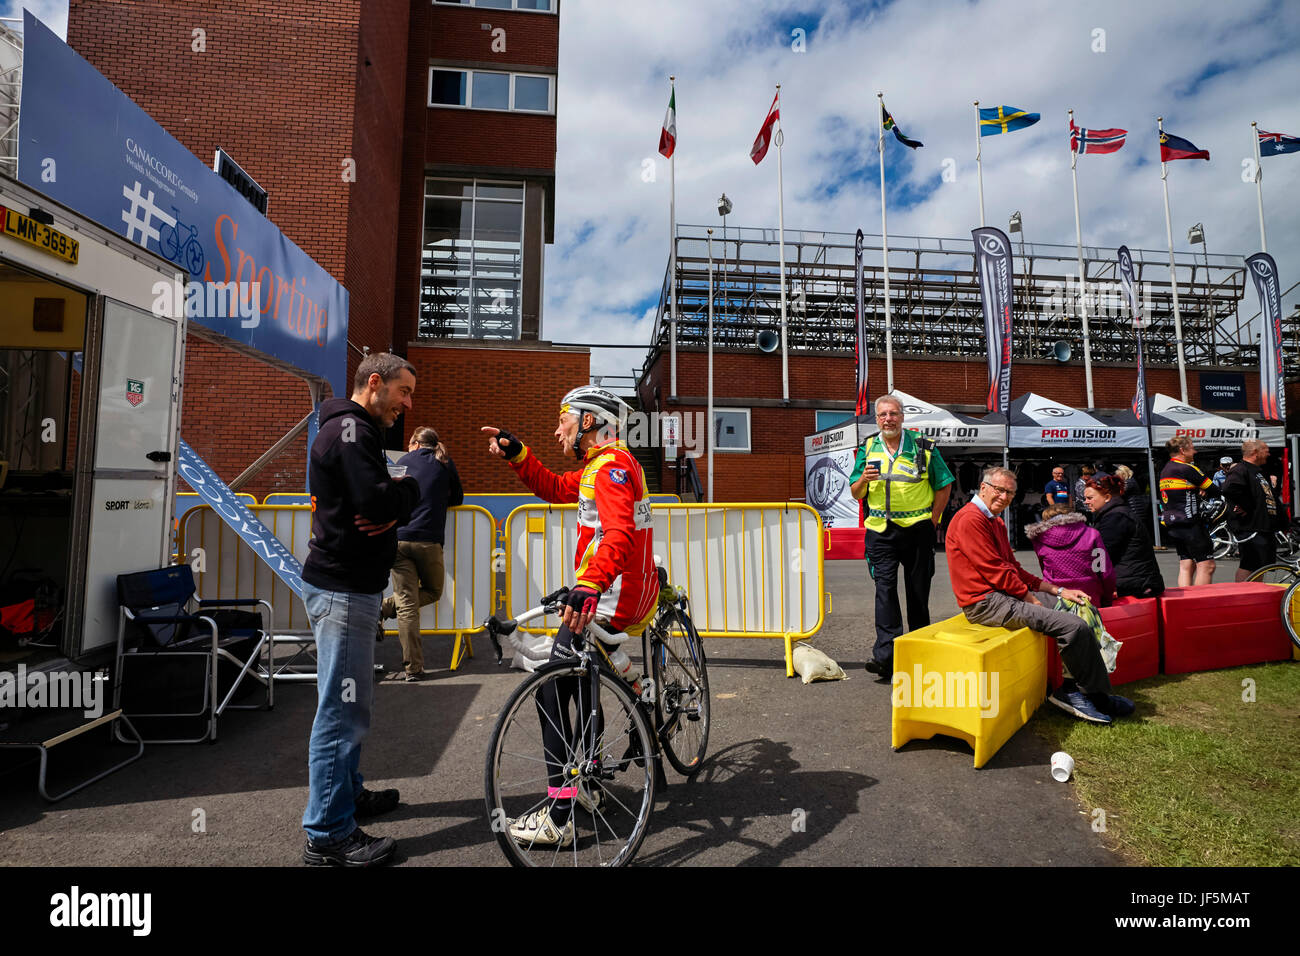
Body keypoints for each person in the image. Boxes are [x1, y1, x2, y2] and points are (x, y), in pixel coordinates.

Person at [482, 385, 658, 848]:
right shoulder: (602, 465)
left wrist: (588, 584)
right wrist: (519, 455)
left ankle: (559, 812)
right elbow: (558, 489)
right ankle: (595, 774)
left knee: (551, 689)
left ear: (586, 422)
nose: (556, 427)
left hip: (610, 597)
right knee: (582, 680)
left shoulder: (612, 468)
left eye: (562, 418)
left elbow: (618, 534)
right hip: (613, 590)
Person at [301, 352, 420, 867]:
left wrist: (388, 502)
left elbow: (376, 503)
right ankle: (328, 833)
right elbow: (375, 502)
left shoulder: (351, 431)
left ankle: (347, 800)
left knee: (347, 707)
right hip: (345, 589)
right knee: (343, 712)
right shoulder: (352, 431)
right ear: (375, 383)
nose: (407, 404)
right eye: (403, 392)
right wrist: (408, 489)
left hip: (349, 588)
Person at [945, 466, 1133, 724]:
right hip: (986, 603)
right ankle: (1073, 693)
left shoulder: (994, 520)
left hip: (1004, 595)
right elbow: (996, 572)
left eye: (1010, 493)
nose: (1005, 496)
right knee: (1073, 626)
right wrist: (1031, 600)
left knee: (1081, 606)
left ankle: (1093, 693)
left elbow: (1015, 569)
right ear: (984, 488)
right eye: (1000, 490)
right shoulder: (971, 519)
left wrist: (1059, 590)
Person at [849, 394, 954, 680]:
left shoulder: (923, 446)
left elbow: (944, 484)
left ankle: (920, 655)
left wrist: (934, 519)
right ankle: (886, 657)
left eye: (893, 414)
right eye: (882, 415)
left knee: (918, 594)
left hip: (918, 531)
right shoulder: (868, 447)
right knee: (884, 592)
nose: (888, 419)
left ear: (902, 417)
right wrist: (863, 481)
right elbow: (855, 492)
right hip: (880, 533)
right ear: (876, 419)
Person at [378, 426, 464, 681]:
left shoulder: (402, 461)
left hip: (399, 540)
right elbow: (457, 497)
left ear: (415, 442)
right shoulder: (444, 462)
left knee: (406, 605)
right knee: (434, 591)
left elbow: (389, 494)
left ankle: (412, 667)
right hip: (428, 540)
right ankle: (384, 611)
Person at [1084, 475, 1165, 599]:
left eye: (1090, 498)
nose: (1086, 502)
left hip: (1135, 585)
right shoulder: (1115, 513)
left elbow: (1102, 554)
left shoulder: (1116, 517)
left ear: (1107, 497)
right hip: (1136, 580)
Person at [1025, 502, 1116, 608]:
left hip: (1055, 597)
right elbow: (1104, 570)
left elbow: (1044, 568)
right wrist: (1107, 599)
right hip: (1090, 596)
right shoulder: (1092, 534)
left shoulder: (1039, 539)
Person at [1159, 436, 1217, 587]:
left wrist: (1195, 488)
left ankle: (1184, 604)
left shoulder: (1166, 469)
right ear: (1182, 450)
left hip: (1173, 523)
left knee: (1186, 565)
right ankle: (1200, 605)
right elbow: (1215, 490)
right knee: (1207, 565)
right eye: (1192, 447)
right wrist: (1201, 488)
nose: (1195, 451)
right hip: (1190, 524)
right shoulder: (1187, 468)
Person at [1222, 440, 1281, 582]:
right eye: (1265, 450)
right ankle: (1244, 598)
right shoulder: (1240, 469)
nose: (1268, 453)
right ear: (1255, 452)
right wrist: (1246, 506)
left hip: (1262, 526)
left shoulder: (1259, 471)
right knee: (1250, 564)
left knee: (1259, 566)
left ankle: (1254, 597)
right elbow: (1229, 489)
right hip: (1251, 527)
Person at [1115, 464, 1154, 540]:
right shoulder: (1131, 481)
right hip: (1136, 509)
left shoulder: (1129, 482)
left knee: (1137, 531)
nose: (1118, 478)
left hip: (1135, 510)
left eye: (1119, 475)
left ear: (1123, 474)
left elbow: (1120, 494)